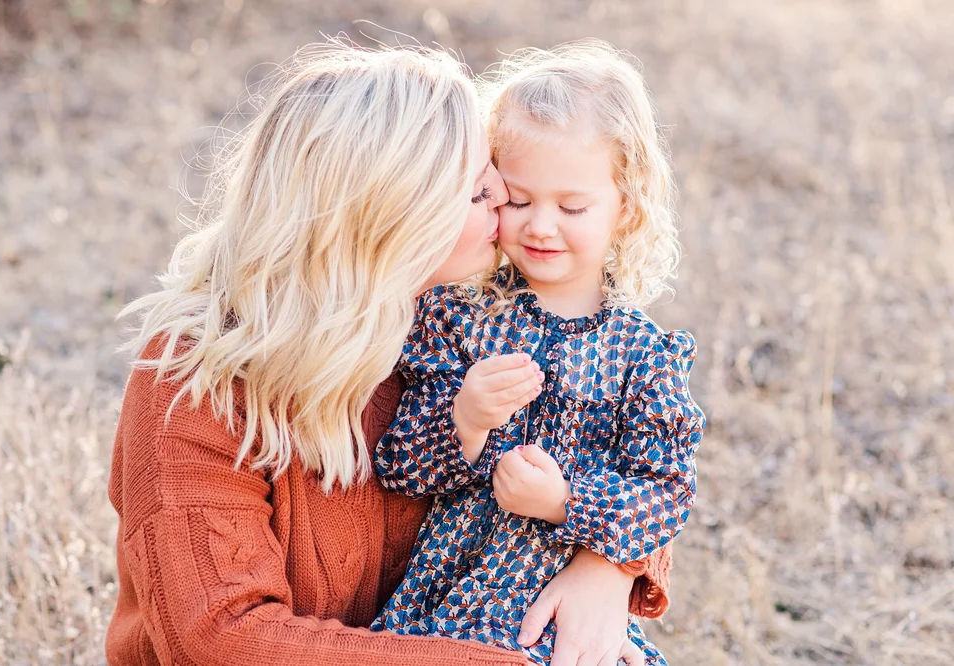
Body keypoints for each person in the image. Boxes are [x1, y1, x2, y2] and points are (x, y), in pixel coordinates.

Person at [106, 39, 671, 666]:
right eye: (481, 192)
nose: (509, 207)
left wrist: (608, 566)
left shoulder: (451, 323)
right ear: (392, 219)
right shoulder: (195, 382)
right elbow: (222, 641)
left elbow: (628, 454)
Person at [373, 40, 705, 665]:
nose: (541, 226)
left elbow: (665, 496)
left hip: (563, 610)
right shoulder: (457, 317)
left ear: (627, 209)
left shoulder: (645, 356)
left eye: (571, 206)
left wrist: (563, 503)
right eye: (519, 200)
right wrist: (465, 420)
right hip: (449, 601)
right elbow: (401, 470)